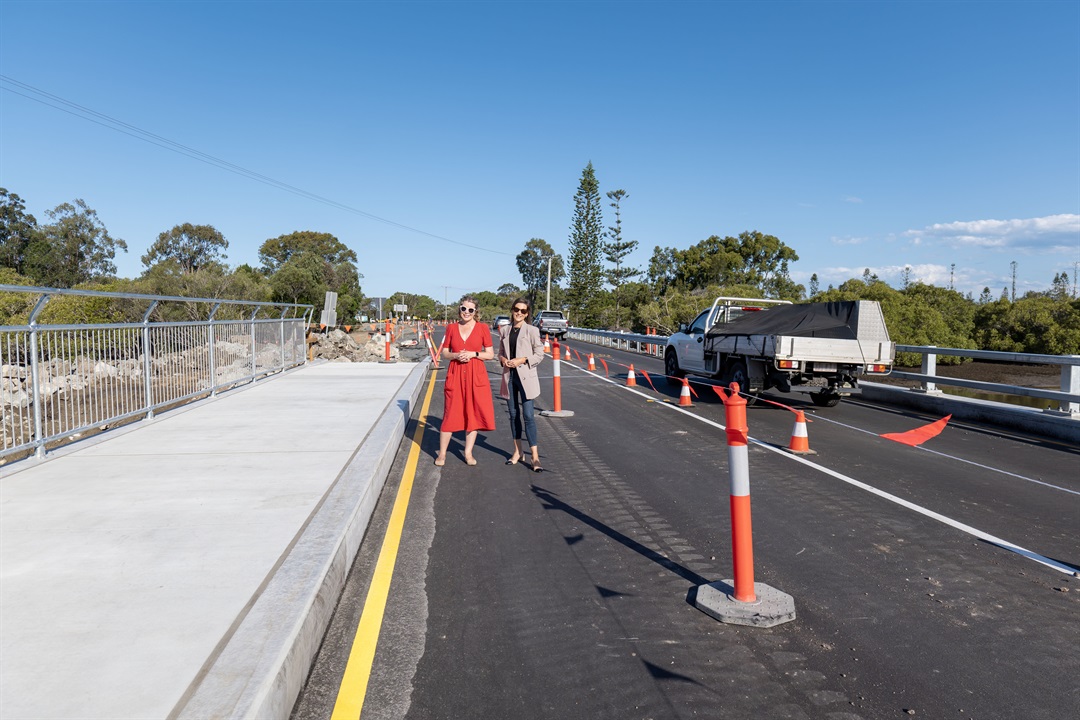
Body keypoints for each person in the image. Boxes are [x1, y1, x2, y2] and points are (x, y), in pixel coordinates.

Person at [436, 296, 495, 466]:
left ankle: (468, 453)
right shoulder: (451, 328)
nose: (467, 312)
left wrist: (473, 354)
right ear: (459, 309)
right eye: (464, 309)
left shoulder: (483, 328)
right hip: (455, 374)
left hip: (475, 374)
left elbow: (490, 354)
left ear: (476, 312)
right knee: (450, 413)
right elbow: (445, 353)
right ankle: (442, 454)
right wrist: (456, 355)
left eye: (471, 310)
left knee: (473, 414)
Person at [498, 297, 546, 472]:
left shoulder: (532, 331)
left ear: (527, 314)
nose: (519, 313)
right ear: (512, 310)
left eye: (523, 311)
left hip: (526, 378)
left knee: (528, 416)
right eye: (516, 309)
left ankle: (534, 457)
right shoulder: (504, 330)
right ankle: (518, 452)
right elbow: (501, 352)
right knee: (513, 414)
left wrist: (523, 360)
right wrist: (503, 360)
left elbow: (540, 354)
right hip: (509, 377)